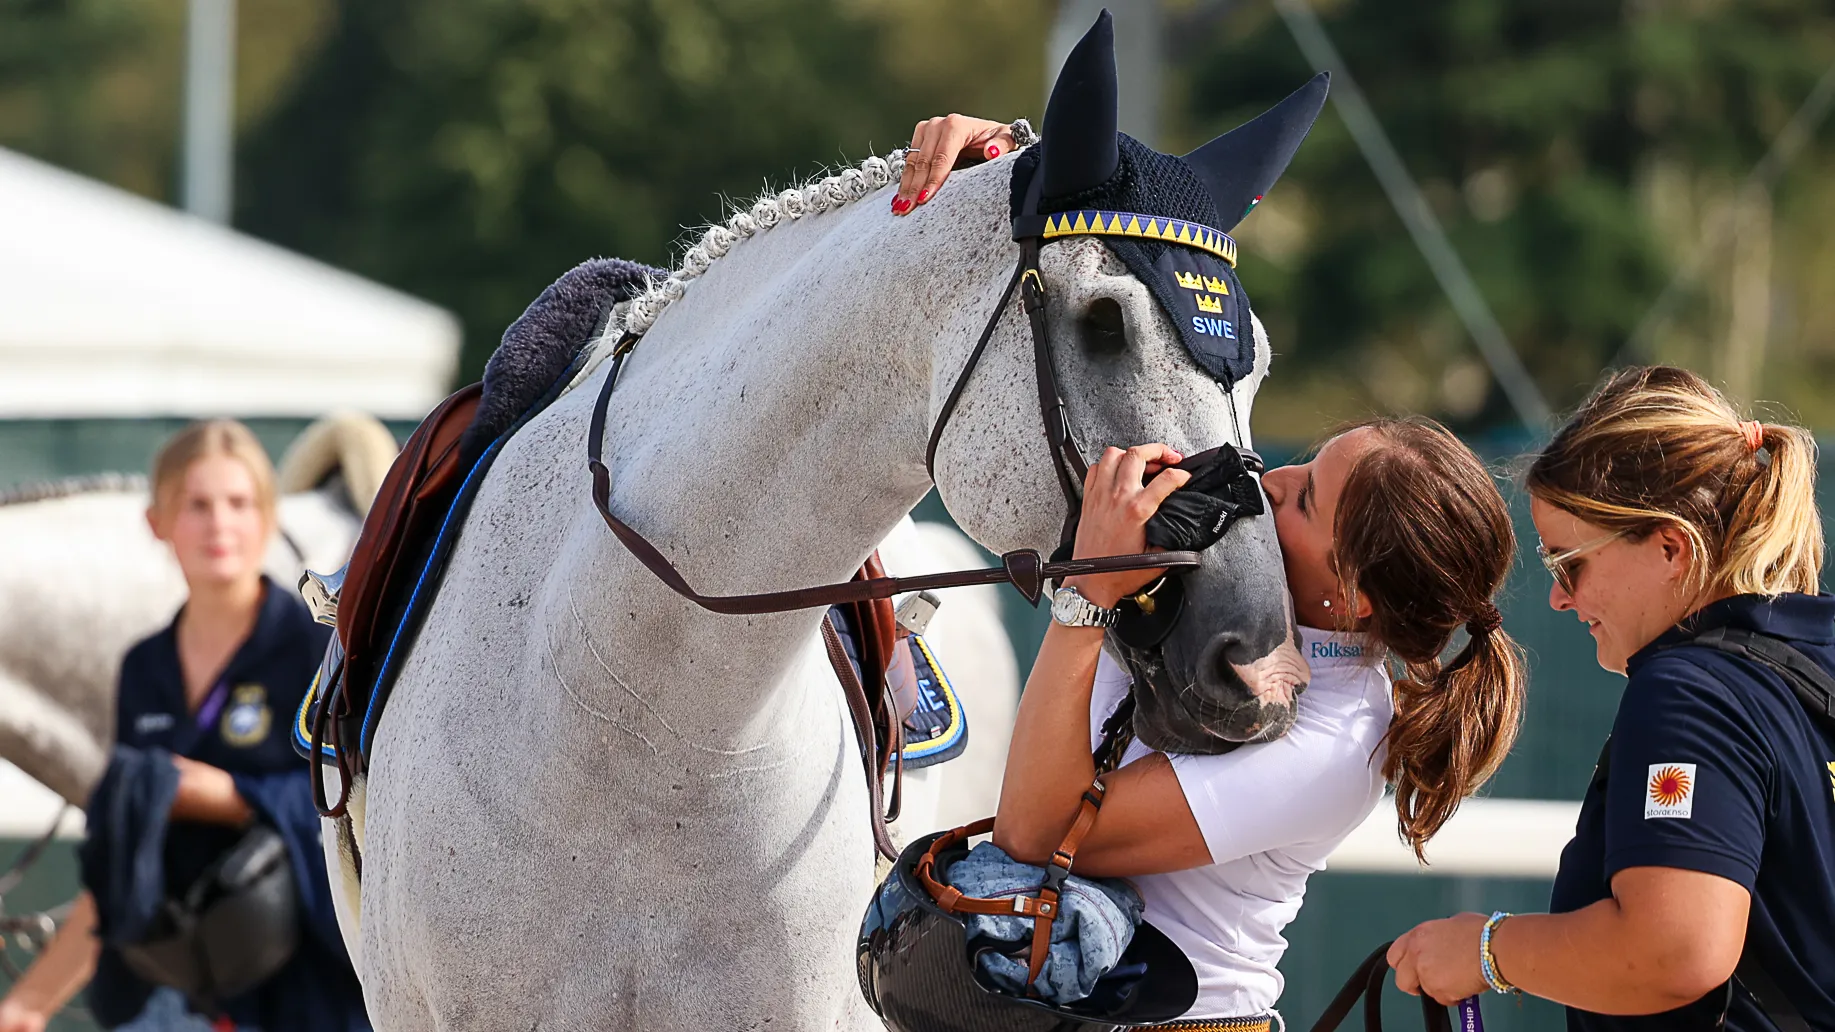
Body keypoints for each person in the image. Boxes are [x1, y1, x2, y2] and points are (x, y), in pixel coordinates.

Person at [889, 118, 1529, 1025]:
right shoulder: (1253, 596)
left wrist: (1085, 600)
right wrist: (1015, 167)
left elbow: (1036, 833)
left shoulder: (1342, 739)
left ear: (1352, 597)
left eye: (1305, 498)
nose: (1270, 480)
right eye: (1303, 462)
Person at [1387, 367, 1835, 1030]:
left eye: (1570, 562)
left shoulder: (1691, 694)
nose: (1557, 596)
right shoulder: (1813, 658)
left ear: (1669, 547)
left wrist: (1484, 950)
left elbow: (1673, 949)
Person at [0, 421, 367, 1032]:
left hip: (303, 997)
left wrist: (225, 796)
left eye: (240, 504)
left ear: (269, 519)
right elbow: (120, 859)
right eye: (197, 505)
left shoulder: (318, 651)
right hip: (168, 997)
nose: (220, 524)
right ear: (158, 523)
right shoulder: (143, 667)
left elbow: (359, 820)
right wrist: (28, 1006)